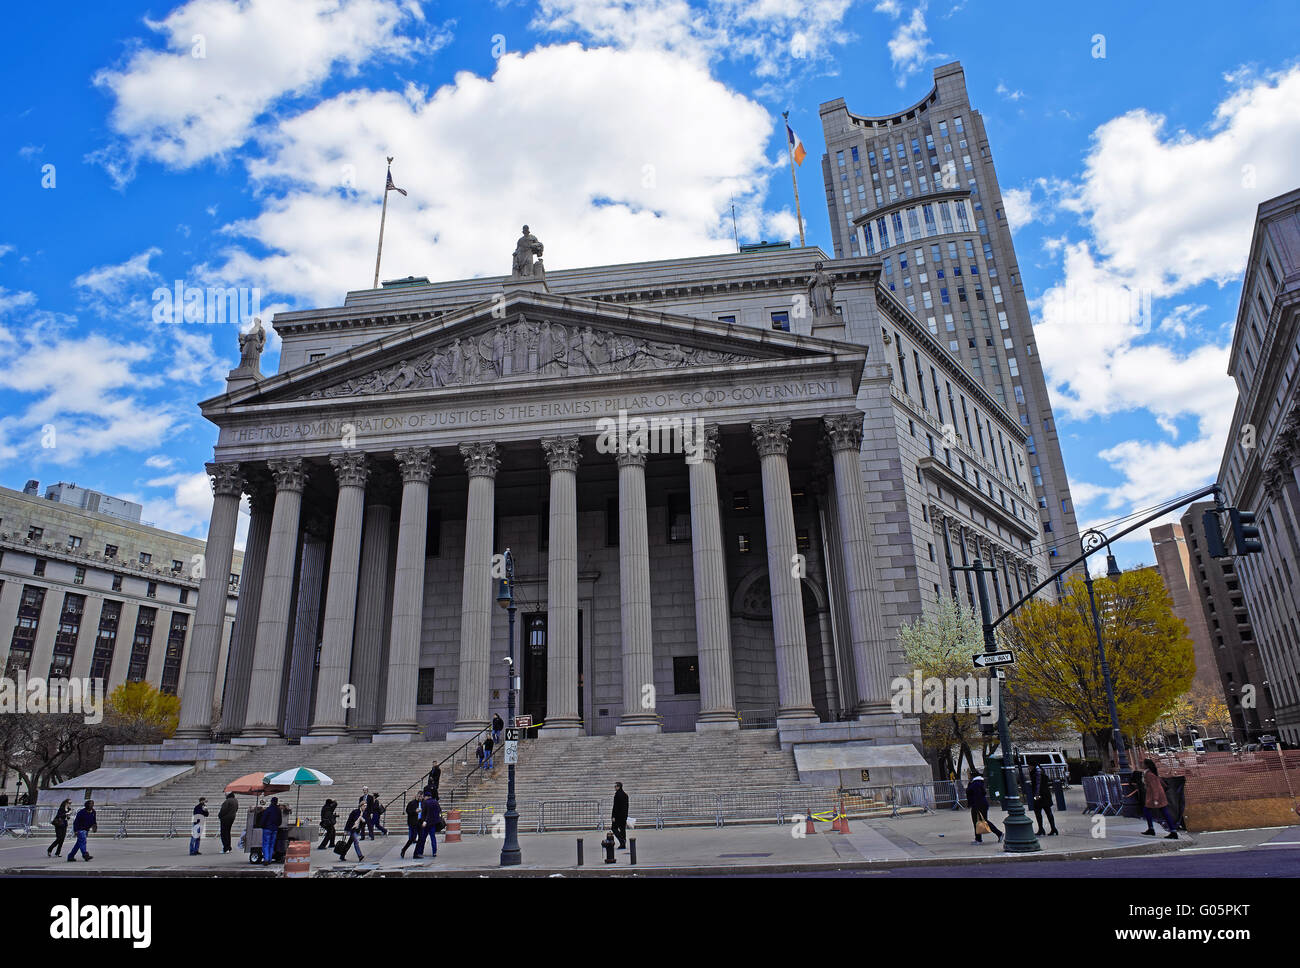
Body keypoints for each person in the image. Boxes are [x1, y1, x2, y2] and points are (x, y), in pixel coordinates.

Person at [1141, 759, 1179, 840]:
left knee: (1162, 812)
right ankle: (1172, 831)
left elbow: (1155, 787)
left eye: (1143, 764)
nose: (1142, 765)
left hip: (1155, 796)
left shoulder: (1149, 774)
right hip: (1156, 796)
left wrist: (1155, 799)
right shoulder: (1150, 773)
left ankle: (1172, 831)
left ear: (1147, 765)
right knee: (1162, 812)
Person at [965, 772, 1003, 845]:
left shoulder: (976, 784)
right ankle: (979, 838)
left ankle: (998, 834)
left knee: (981, 821)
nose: (968, 777)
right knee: (980, 821)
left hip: (978, 805)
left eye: (969, 776)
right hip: (979, 804)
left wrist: (976, 805)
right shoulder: (976, 783)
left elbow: (977, 795)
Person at [1031, 765, 1059, 836]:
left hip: (1039, 796)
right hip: (1046, 795)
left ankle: (1041, 829)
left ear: (1032, 766)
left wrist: (1036, 797)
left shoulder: (1035, 774)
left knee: (1037, 811)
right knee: (1048, 811)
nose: (1028, 768)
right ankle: (1053, 828)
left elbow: (1037, 786)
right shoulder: (1042, 772)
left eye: (1029, 766)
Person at [415, 792, 440, 859]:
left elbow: (425, 813)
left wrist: (424, 821)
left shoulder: (425, 803)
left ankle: (420, 851)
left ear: (426, 796)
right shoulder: (435, 802)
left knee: (423, 838)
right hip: (433, 823)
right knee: (433, 838)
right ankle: (434, 852)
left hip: (426, 823)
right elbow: (439, 810)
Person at [259, 797, 282, 865]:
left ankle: (266, 859)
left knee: (266, 844)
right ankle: (269, 859)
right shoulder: (278, 810)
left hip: (267, 828)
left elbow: (264, 819)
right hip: (274, 829)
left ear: (271, 802)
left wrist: (262, 826)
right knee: (272, 845)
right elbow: (280, 821)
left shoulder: (268, 809)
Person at [400, 793, 422, 859]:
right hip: (413, 823)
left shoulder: (423, 803)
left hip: (420, 822)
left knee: (421, 838)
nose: (420, 798)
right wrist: (415, 811)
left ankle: (416, 854)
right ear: (416, 796)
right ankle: (404, 849)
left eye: (421, 796)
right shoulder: (412, 803)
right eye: (419, 796)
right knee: (412, 838)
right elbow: (408, 811)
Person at [611, 782, 629, 850]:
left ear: (618, 787)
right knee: (622, 829)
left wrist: (613, 816)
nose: (614, 788)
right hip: (623, 816)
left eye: (615, 786)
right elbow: (627, 806)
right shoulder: (625, 795)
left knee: (614, 828)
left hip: (618, 816)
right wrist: (626, 815)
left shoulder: (617, 795)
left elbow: (615, 807)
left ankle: (621, 841)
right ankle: (623, 843)